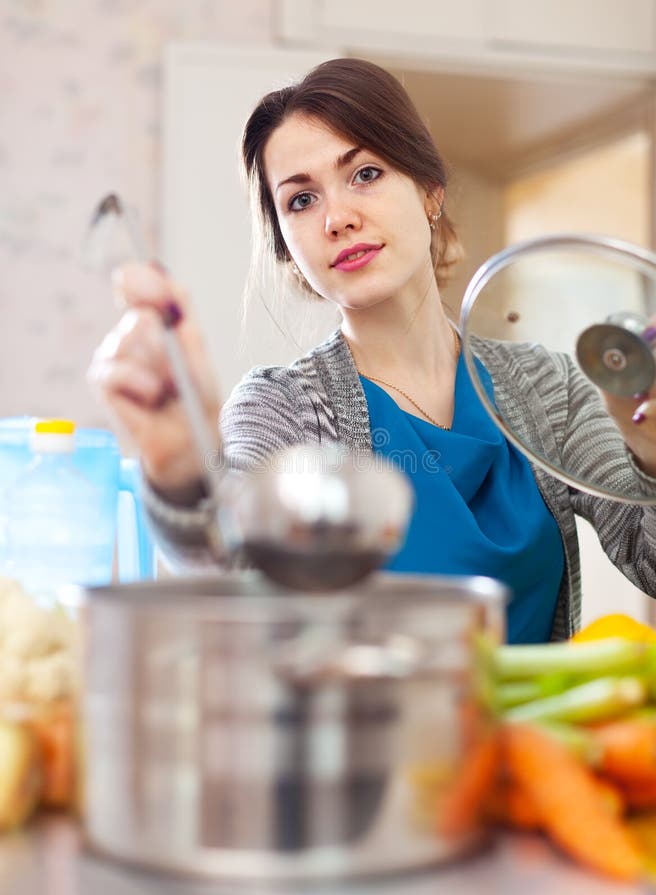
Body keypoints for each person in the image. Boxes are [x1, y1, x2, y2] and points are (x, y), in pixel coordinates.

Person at [89, 58, 656, 643]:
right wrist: (183, 471)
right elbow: (230, 569)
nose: (338, 217)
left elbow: (650, 559)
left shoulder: (547, 388)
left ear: (429, 191)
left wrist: (651, 453)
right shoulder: (284, 406)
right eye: (301, 200)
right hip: (361, 736)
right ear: (288, 247)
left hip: (531, 738)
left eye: (364, 174)